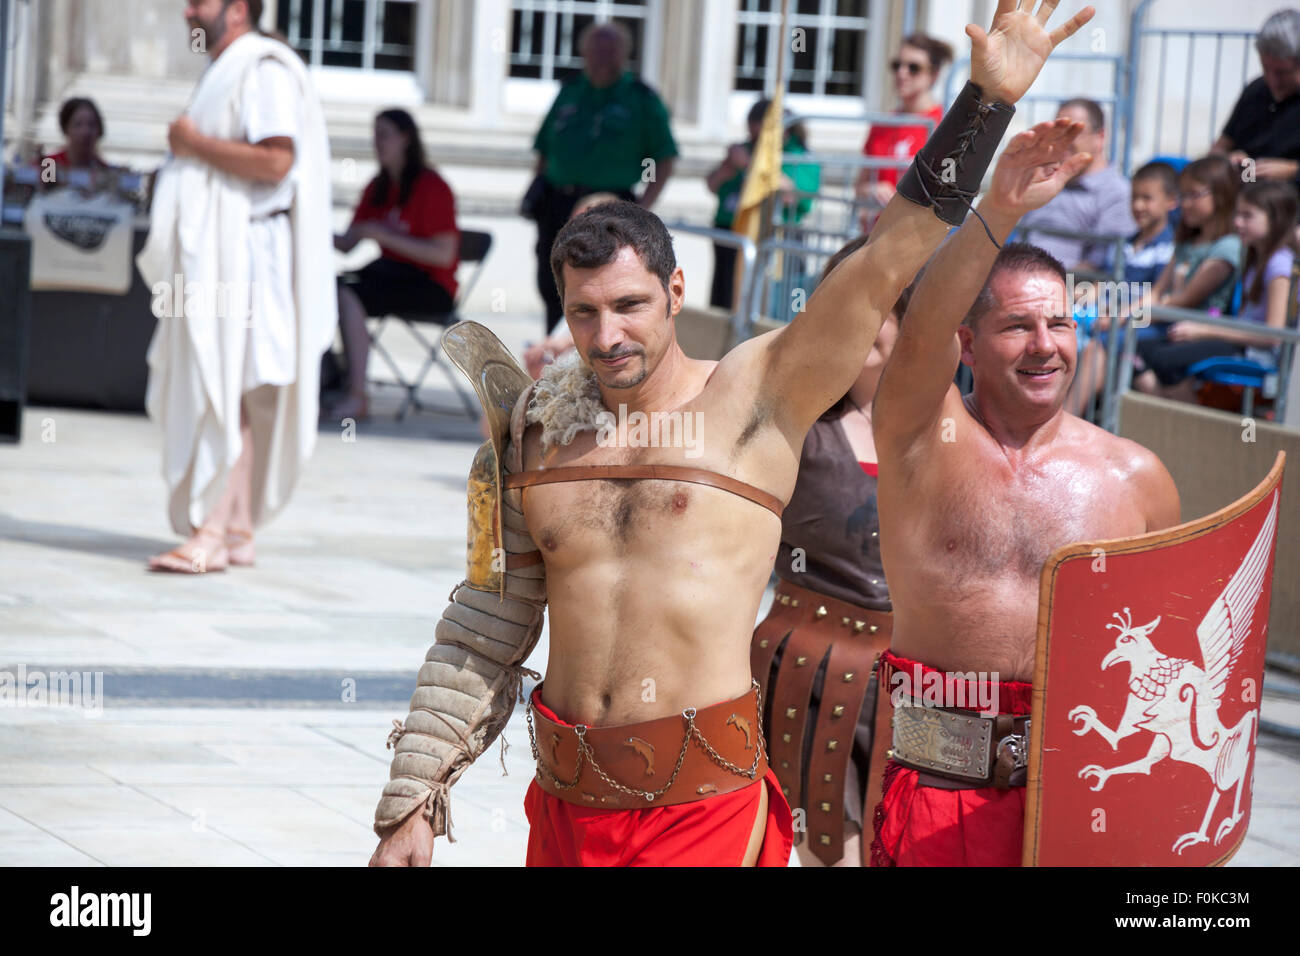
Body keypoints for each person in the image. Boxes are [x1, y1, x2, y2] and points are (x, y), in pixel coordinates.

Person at [369, 0, 1096, 868]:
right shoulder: (534, 431)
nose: (609, 337)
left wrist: (984, 101)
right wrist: (412, 796)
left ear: (677, 290)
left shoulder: (757, 397)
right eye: (585, 313)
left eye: (631, 307)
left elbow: (885, 260)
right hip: (562, 814)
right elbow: (486, 621)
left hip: (701, 815)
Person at [869, 123, 1181, 867]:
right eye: (1017, 326)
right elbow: (918, 328)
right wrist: (999, 207)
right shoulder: (919, 435)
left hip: (1079, 801)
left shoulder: (1136, 478)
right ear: (968, 344)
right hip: (938, 786)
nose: (1046, 344)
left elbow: (1172, 645)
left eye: (1061, 322)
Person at [138, 0, 334, 573]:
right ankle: (237, 529)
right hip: (232, 253)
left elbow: (276, 161)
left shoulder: (261, 67)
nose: (187, 11)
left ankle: (211, 533)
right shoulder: (229, 65)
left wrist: (192, 145)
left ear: (238, 9)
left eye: (199, 1)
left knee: (230, 385)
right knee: (240, 388)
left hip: (248, 254)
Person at [750, 235, 906, 867]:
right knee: (826, 856)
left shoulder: (947, 431)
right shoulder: (790, 427)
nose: (863, 319)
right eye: (845, 300)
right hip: (810, 672)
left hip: (916, 684)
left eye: (883, 304)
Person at [529, 21, 679, 334]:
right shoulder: (569, 92)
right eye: (595, 49)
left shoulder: (640, 98)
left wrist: (643, 207)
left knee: (601, 281)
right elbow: (543, 148)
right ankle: (553, 355)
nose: (602, 57)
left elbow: (663, 157)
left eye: (610, 50)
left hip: (610, 205)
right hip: (559, 200)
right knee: (552, 281)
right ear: (583, 53)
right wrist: (539, 186)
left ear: (625, 54)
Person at [329, 109, 460, 422]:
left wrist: (383, 235)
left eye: (384, 134)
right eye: (374, 134)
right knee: (328, 287)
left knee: (350, 294)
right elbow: (347, 243)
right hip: (390, 276)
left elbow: (443, 255)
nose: (377, 142)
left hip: (430, 285)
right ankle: (328, 380)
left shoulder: (431, 185)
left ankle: (357, 395)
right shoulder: (378, 185)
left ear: (406, 138)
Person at [1138, 181, 1298, 384]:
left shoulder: (1279, 264)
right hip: (1238, 342)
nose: (1237, 222)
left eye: (1248, 216)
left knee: (1160, 359)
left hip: (1254, 352)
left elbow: (1273, 336)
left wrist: (1205, 331)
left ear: (1277, 220)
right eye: (1237, 214)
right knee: (1143, 351)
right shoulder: (1256, 257)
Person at [1067, 161, 1179, 417]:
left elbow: (1156, 297)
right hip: (1107, 319)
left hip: (1141, 324)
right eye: (1134, 198)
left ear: (1171, 201)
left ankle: (1067, 418)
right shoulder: (1124, 244)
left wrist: (1118, 316)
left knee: (1096, 348)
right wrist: (1073, 298)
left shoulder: (1168, 248)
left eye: (1147, 198)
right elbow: (1105, 283)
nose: (1138, 206)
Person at [1134, 155, 1244, 399]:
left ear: (1221, 194)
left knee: (1149, 354)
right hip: (1170, 325)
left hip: (1202, 331)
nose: (1185, 204)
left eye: (1194, 195)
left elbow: (1186, 300)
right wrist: (1128, 312)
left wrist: (1135, 315)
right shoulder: (1185, 242)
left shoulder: (1227, 247)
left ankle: (1188, 431)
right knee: (1131, 351)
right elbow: (1158, 291)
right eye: (1183, 196)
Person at [706, 99, 820, 310]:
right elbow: (712, 184)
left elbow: (794, 195)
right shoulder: (745, 149)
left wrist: (749, 165)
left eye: (759, 135)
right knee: (725, 298)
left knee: (778, 302)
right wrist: (727, 169)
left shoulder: (796, 155)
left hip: (778, 234)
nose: (754, 140)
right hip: (731, 230)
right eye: (751, 134)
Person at [1016, 98, 1136, 271]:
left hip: (1063, 289)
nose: (1062, 141)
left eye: (1073, 132)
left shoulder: (1117, 193)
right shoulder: (1045, 179)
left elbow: (1099, 266)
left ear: (1100, 137)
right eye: (1058, 132)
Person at [855, 33, 953, 232]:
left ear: (933, 74)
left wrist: (904, 198)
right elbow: (859, 186)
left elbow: (949, 190)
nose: (902, 73)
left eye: (913, 68)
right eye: (897, 65)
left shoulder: (945, 125)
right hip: (875, 236)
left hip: (916, 240)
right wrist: (873, 190)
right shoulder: (882, 124)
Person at [1213, 8, 1300, 186]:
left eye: (1282, 72)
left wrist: (1293, 171)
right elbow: (1219, 149)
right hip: (1248, 198)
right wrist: (1229, 161)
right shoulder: (1257, 90)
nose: (1273, 81)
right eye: (1266, 69)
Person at [42, 97, 112, 183]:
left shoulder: (106, 173)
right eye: (78, 125)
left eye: (91, 125)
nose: (86, 132)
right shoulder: (48, 167)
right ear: (65, 129)